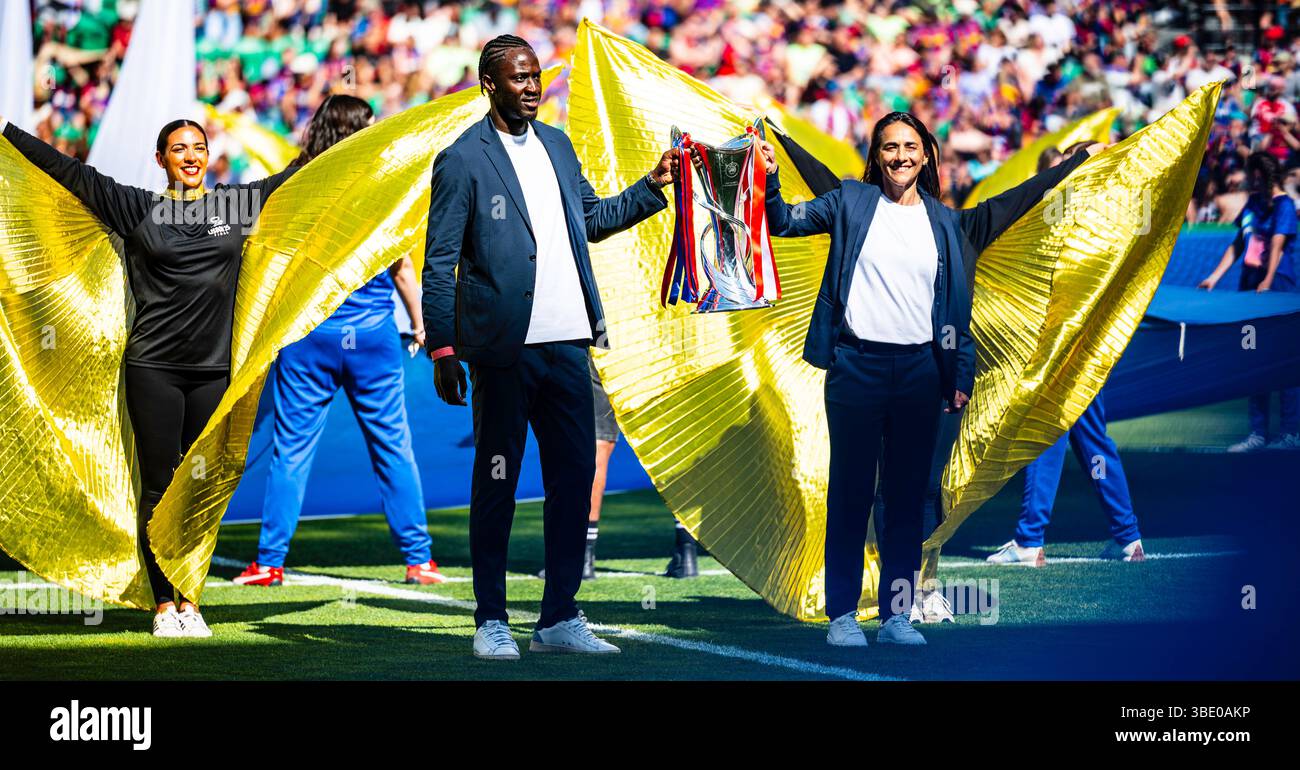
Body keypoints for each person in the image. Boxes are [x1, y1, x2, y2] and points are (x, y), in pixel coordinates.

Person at [761, 111, 1098, 648]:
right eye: (890, 147)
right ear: (877, 156)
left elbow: (1016, 204)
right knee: (850, 492)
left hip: (920, 372)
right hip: (856, 367)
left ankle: (897, 615)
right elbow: (781, 220)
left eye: (910, 146)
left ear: (927, 155)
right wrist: (768, 166)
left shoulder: (948, 222)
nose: (900, 156)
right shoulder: (849, 200)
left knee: (906, 496)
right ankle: (843, 615)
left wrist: (1075, 164)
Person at [421, 34, 677, 660]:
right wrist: (443, 348)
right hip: (503, 351)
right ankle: (491, 620)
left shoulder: (558, 146)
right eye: (519, 77)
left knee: (572, 478)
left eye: (536, 75)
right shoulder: (462, 159)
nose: (532, 86)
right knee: (497, 480)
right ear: (489, 83)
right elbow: (440, 260)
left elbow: (590, 219)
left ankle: (559, 616)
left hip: (569, 344)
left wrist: (652, 184)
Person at [0, 111, 300, 637]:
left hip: (213, 373)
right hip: (153, 369)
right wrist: (7, 132)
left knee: (200, 486)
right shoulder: (139, 207)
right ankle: (165, 604)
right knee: (161, 486)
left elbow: (299, 177)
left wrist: (352, 143)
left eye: (199, 147)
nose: (190, 156)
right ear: (160, 159)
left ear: (209, 156)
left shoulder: (233, 205)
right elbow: (70, 173)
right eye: (179, 149)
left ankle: (192, 598)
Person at [233, 95, 446, 589]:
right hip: (372, 337)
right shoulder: (378, 189)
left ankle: (269, 562)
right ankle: (419, 561)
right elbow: (402, 268)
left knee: (292, 451)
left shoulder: (300, 186)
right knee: (394, 448)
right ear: (356, 129)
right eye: (370, 125)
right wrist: (419, 326)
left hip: (310, 336)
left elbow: (270, 256)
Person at [988, 143, 1144, 566]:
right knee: (1092, 441)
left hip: (1061, 346)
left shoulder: (1069, 215)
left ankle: (1029, 540)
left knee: (1044, 435)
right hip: (1088, 349)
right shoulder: (1108, 217)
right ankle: (1129, 539)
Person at [1199, 151, 1300, 451]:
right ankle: (1257, 432)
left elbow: (1278, 245)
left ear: (1262, 174)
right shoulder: (1253, 204)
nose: (1250, 180)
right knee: (1254, 360)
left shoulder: (1284, 206)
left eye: (1253, 175)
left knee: (1282, 362)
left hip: (1278, 291)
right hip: (1250, 291)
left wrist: (1268, 282)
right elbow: (1239, 243)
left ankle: (1290, 431)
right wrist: (1215, 276)